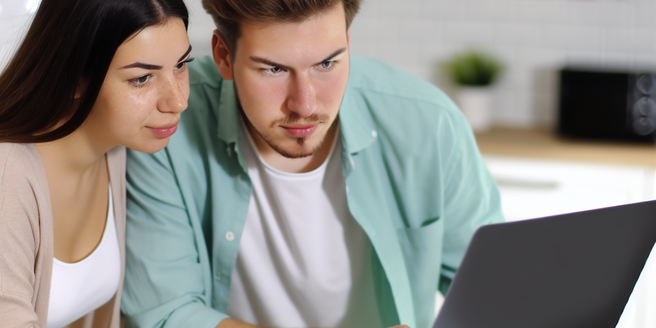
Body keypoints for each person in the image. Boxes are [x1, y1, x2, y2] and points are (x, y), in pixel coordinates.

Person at [121, 0, 504, 327]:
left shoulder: (429, 125)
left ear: (348, 44)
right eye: (273, 69)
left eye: (327, 64)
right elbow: (165, 315)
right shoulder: (166, 127)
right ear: (223, 55)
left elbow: (497, 297)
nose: (304, 105)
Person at [0, 0, 192, 326]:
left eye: (181, 65)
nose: (178, 100)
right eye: (142, 78)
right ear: (74, 75)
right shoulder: (8, 179)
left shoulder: (114, 148)